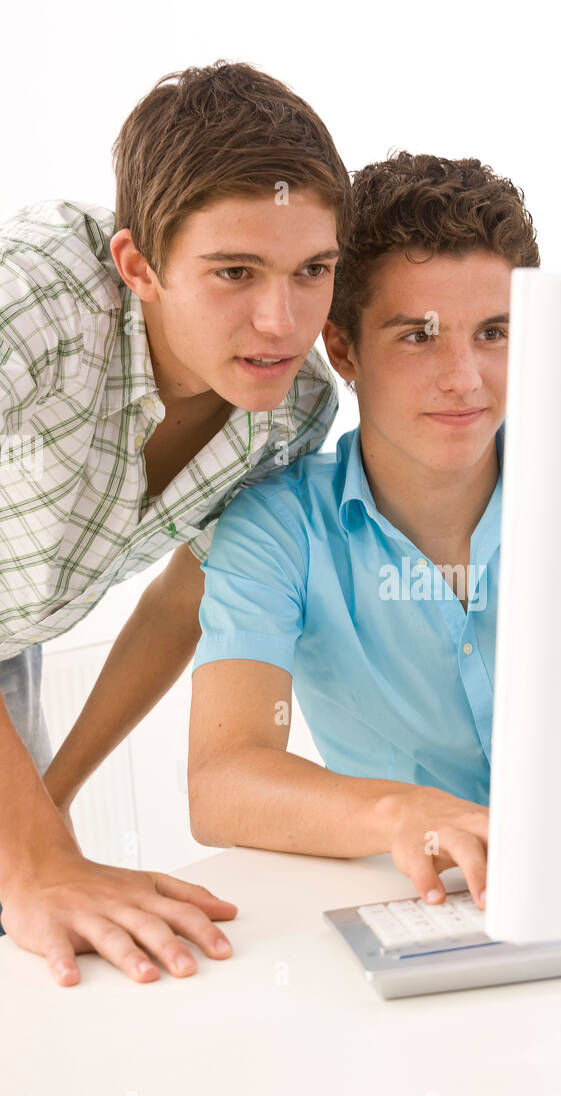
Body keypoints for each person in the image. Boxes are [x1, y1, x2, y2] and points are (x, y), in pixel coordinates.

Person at [0, 60, 350, 986]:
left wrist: (50, 805)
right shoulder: (38, 295)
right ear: (138, 266)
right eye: (235, 272)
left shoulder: (292, 406)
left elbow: (178, 603)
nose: (281, 321)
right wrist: (33, 857)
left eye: (312, 271)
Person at [188, 152, 540, 910]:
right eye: (419, 337)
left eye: (493, 333)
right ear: (343, 349)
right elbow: (222, 781)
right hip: (422, 904)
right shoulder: (281, 529)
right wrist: (397, 813)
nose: (464, 377)